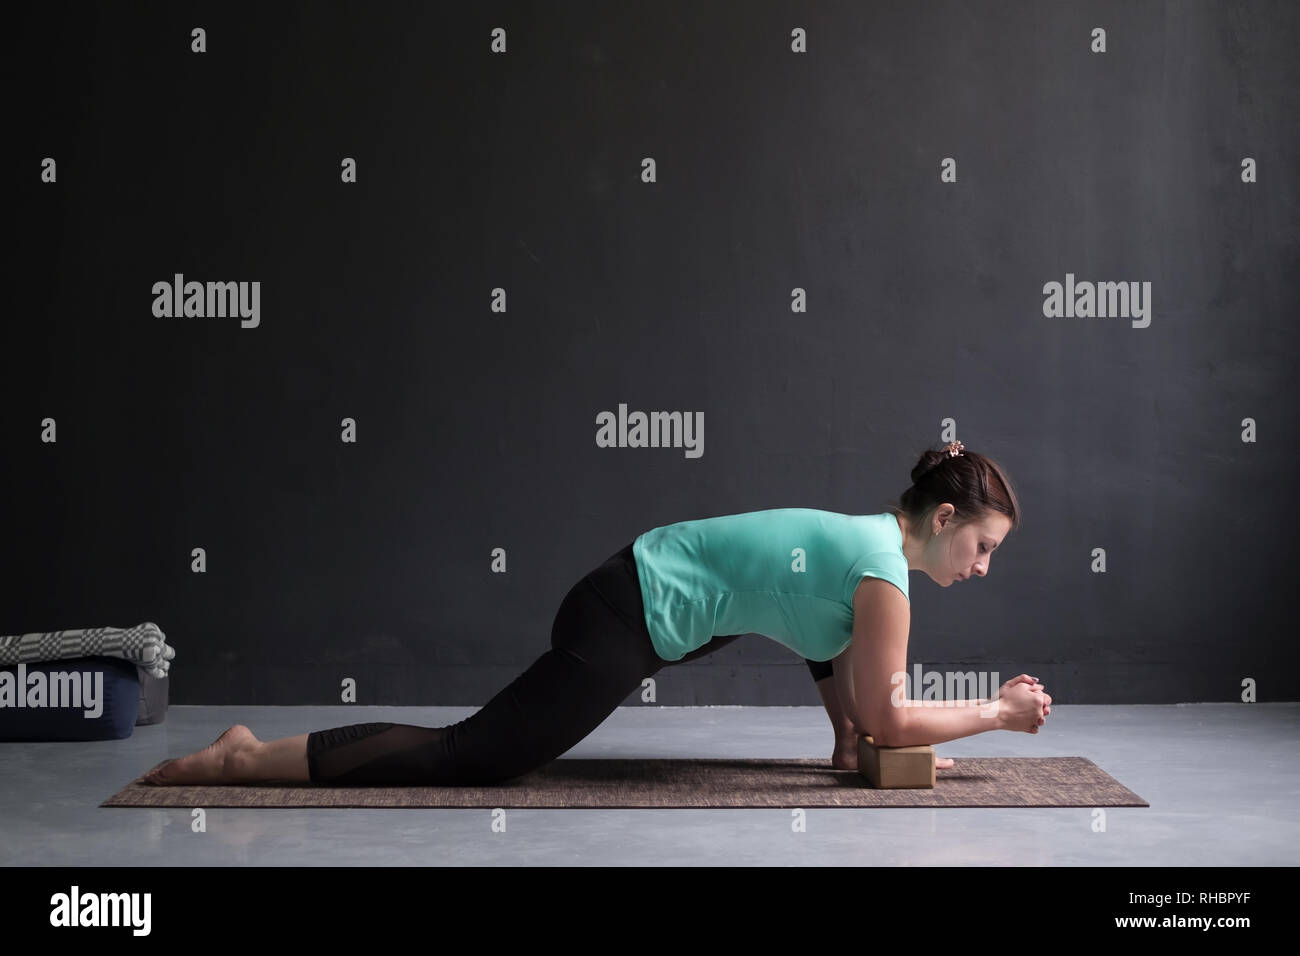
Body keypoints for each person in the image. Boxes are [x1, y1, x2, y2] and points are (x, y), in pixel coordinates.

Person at [142, 440, 1050, 787]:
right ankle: (244, 756)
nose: (981, 568)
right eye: (982, 548)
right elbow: (893, 708)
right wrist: (997, 714)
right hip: (624, 613)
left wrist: (847, 745)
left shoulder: (866, 553)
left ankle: (248, 753)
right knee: (479, 755)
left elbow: (822, 642)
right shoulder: (883, 572)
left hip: (632, 592)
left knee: (489, 749)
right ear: (942, 520)